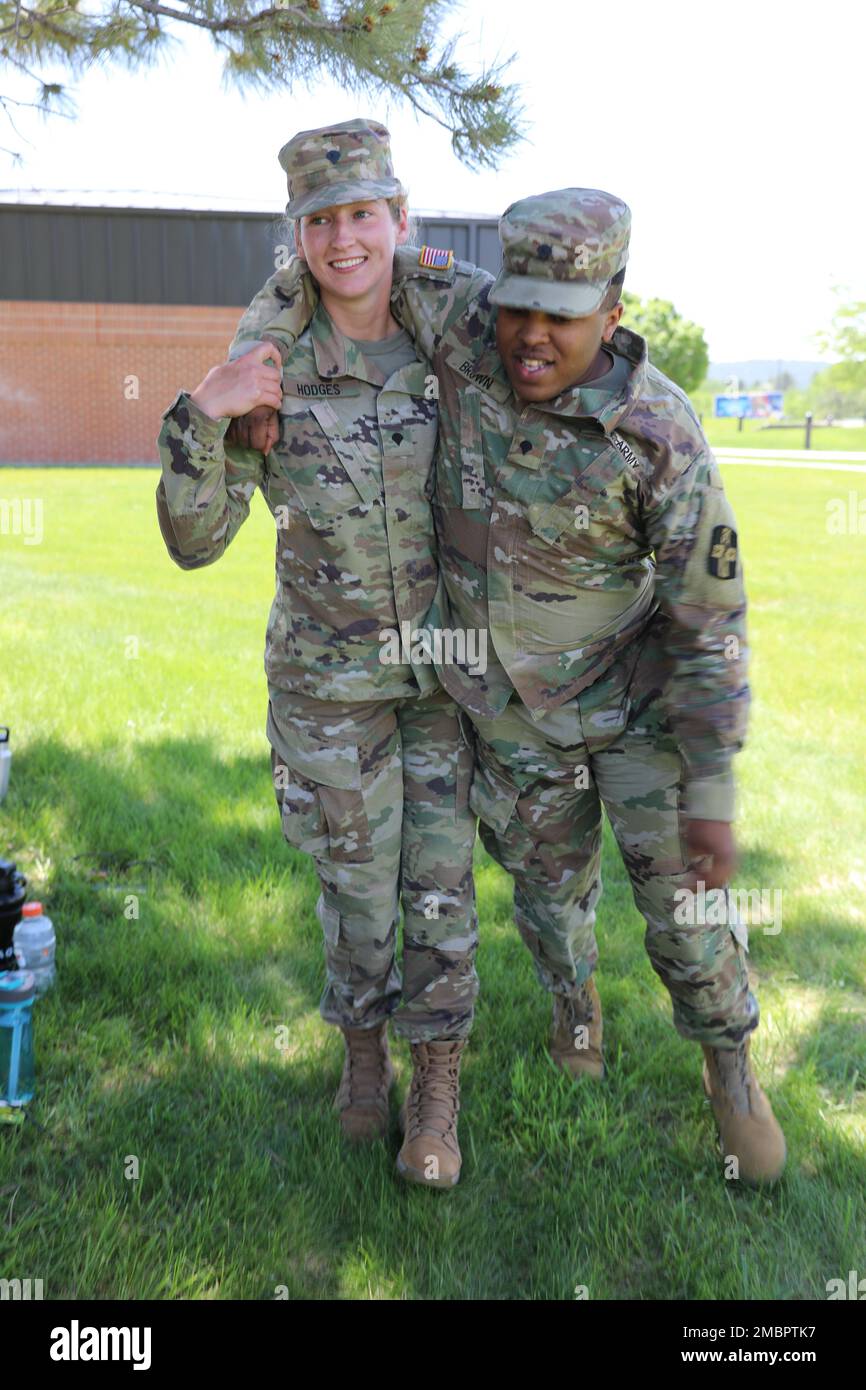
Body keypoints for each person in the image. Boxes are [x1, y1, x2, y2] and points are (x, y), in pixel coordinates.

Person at [228, 186, 787, 1185]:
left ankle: (729, 1065)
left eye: (561, 318)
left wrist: (709, 792)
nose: (530, 335)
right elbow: (323, 264)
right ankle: (575, 999)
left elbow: (711, 618)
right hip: (512, 708)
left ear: (611, 313)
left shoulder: (658, 432)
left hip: (636, 703)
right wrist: (256, 365)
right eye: (518, 306)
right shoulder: (461, 324)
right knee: (546, 896)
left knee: (687, 910)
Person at [154, 119, 479, 1190]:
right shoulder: (268, 361)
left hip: (439, 674)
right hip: (327, 683)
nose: (343, 239)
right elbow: (193, 543)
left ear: (398, 218)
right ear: (298, 234)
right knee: (356, 888)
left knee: (437, 887)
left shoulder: (453, 340)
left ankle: (436, 1089)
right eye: (320, 220)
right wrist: (205, 412)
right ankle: (362, 1051)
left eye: (361, 214)